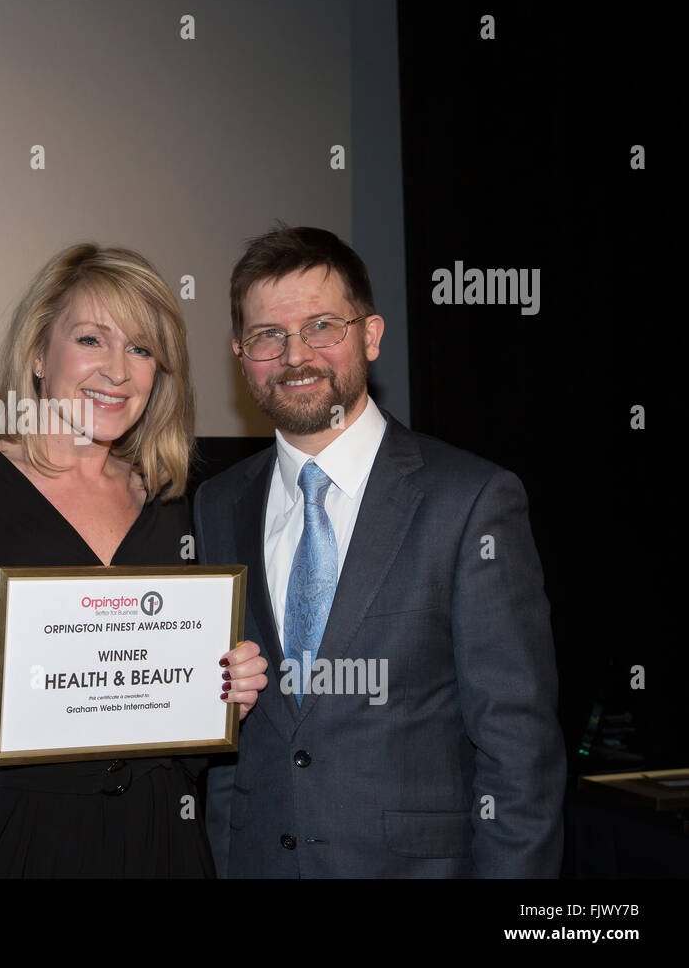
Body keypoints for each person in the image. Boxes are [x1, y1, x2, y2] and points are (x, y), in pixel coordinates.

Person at [197, 225, 565, 877]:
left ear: (370, 335)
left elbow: (518, 752)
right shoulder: (217, 504)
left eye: (321, 327)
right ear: (240, 353)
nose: (295, 355)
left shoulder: (470, 500)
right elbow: (237, 739)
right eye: (267, 336)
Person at [0, 243, 264, 877]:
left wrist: (225, 689)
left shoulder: (175, 510)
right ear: (40, 356)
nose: (118, 372)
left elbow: (182, 709)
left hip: (157, 838)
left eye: (141, 349)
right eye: (92, 339)